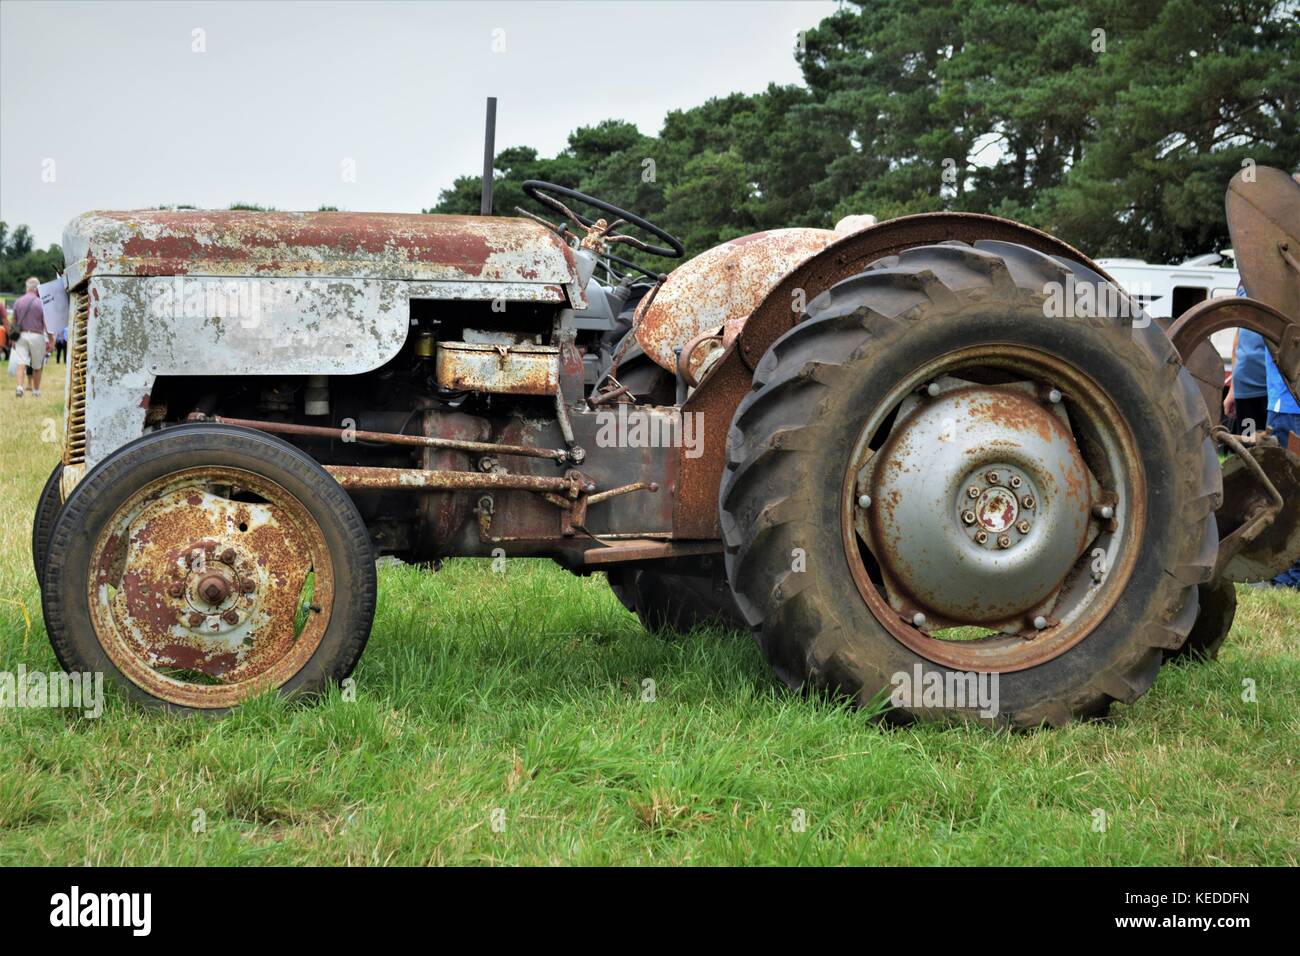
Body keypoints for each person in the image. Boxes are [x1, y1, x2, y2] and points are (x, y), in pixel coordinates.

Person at [11, 277, 52, 397]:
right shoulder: (41, 303)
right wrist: (51, 339)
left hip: (21, 335)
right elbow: (46, 323)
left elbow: (14, 321)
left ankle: (19, 387)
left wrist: (13, 339)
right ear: (37, 288)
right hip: (37, 335)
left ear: (27, 287)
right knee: (37, 365)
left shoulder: (18, 301)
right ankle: (36, 390)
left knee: (21, 362)